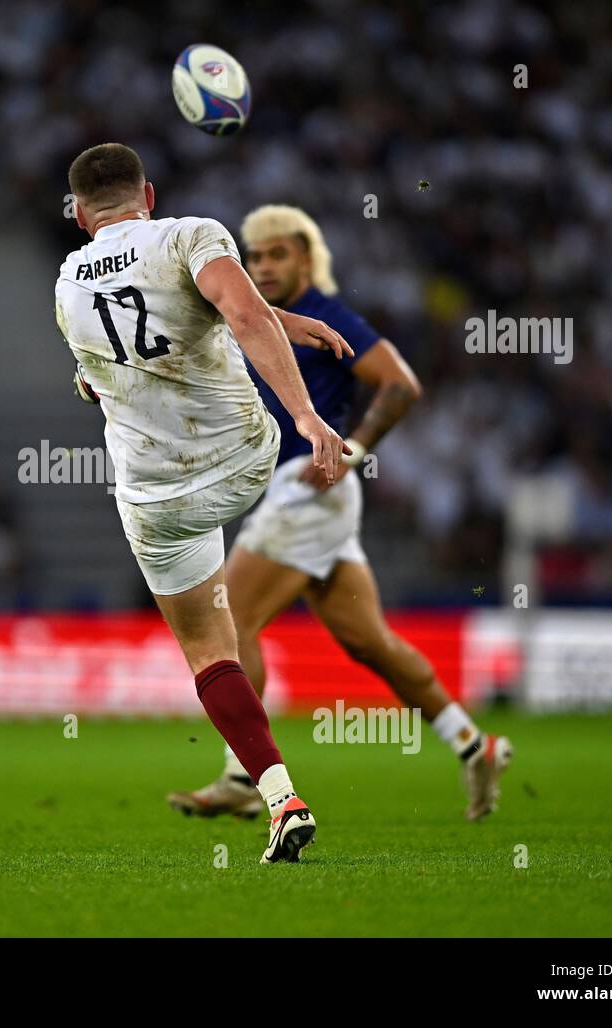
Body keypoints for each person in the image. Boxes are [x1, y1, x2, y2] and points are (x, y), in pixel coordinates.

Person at [165, 205, 513, 823]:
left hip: (308, 486)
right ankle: (472, 742)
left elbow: (401, 382)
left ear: (305, 257)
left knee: (231, 618)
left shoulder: (325, 315)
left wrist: (350, 454)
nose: (265, 266)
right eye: (256, 256)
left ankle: (246, 776)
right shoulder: (259, 320)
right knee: (369, 643)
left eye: (278, 255)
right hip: (306, 495)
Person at [55, 144, 353, 863]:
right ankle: (275, 797)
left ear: (77, 216)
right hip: (244, 460)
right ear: (147, 195)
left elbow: (98, 379)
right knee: (240, 612)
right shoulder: (190, 234)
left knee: (208, 650)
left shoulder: (67, 285)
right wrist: (307, 416)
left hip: (158, 498)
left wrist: (270, 314)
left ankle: (279, 794)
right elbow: (235, 310)